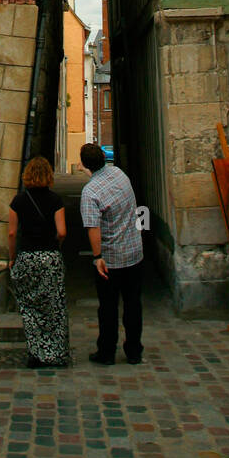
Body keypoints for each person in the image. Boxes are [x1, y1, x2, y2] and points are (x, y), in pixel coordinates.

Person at [79, 142, 143, 366]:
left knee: (108, 307)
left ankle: (107, 351)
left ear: (85, 164)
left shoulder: (90, 191)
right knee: (133, 304)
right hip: (134, 253)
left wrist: (97, 257)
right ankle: (134, 350)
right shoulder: (119, 174)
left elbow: (93, 227)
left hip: (111, 259)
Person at [8, 156, 70, 368]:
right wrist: (55, 245)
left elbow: (11, 232)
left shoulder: (18, 201)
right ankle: (56, 353)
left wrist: (12, 257)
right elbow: (62, 231)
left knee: (30, 306)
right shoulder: (55, 200)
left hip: (27, 256)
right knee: (54, 306)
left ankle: (36, 353)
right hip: (50, 257)